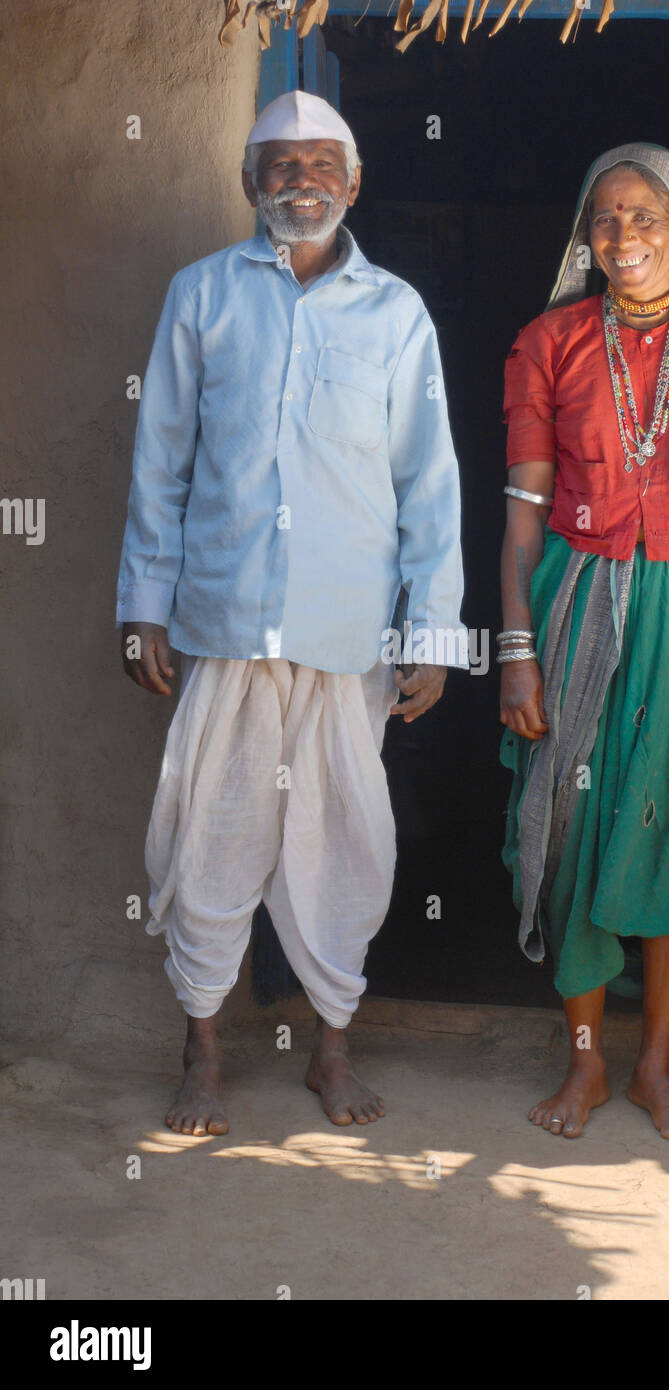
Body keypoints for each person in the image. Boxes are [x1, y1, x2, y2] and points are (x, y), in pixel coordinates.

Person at [117, 90, 466, 1136]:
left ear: (352, 184)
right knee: (209, 839)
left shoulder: (397, 313)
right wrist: (144, 606)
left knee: (343, 844)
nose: (300, 180)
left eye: (321, 164)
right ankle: (204, 1054)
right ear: (248, 182)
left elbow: (429, 483)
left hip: (347, 631)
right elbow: (160, 462)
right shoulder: (201, 295)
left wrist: (435, 634)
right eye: (279, 163)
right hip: (223, 622)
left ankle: (329, 1050)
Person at [498, 142, 669, 1141]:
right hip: (576, 606)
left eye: (646, 216)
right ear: (585, 236)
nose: (625, 237)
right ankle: (587, 1068)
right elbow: (523, 518)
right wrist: (516, 650)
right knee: (567, 836)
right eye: (606, 217)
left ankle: (655, 1066)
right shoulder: (547, 344)